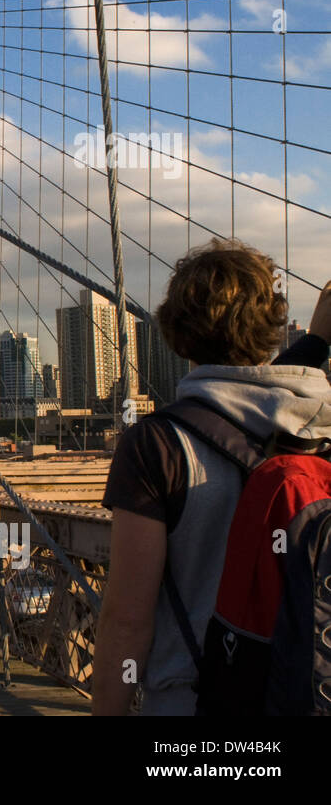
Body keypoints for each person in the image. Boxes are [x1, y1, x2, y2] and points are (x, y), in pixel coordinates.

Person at [93, 239, 331, 714]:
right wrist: (320, 342)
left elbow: (127, 622)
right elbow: (261, 393)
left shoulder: (158, 444)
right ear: (274, 328)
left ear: (176, 333)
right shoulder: (321, 426)